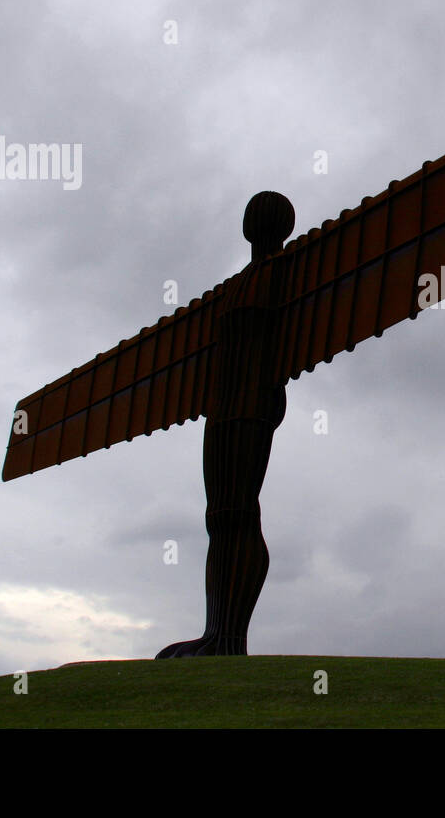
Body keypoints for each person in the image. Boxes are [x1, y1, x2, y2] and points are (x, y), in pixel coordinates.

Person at [156, 192, 295, 657]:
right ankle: (216, 632)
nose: (252, 219)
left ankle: (231, 637)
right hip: (222, 406)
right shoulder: (236, 285)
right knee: (219, 517)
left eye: (260, 213)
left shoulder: (289, 270)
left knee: (239, 510)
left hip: (253, 402)